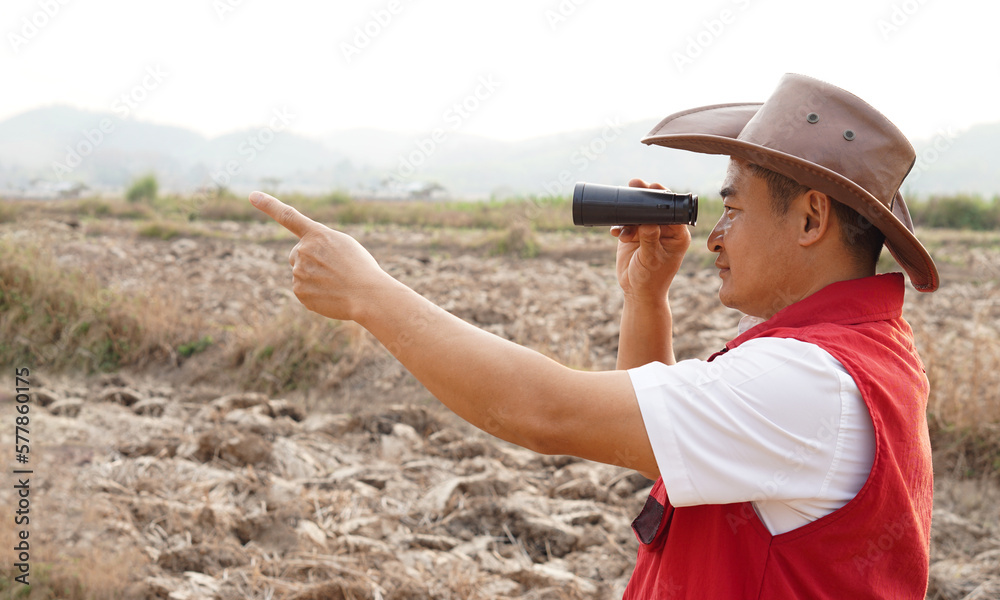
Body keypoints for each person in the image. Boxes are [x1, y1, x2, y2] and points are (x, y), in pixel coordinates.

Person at [249, 73, 938, 599]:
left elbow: (544, 412)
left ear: (811, 218)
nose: (715, 238)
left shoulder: (805, 383)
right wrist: (646, 297)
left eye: (731, 207)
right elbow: (668, 458)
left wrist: (370, 294)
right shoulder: (853, 358)